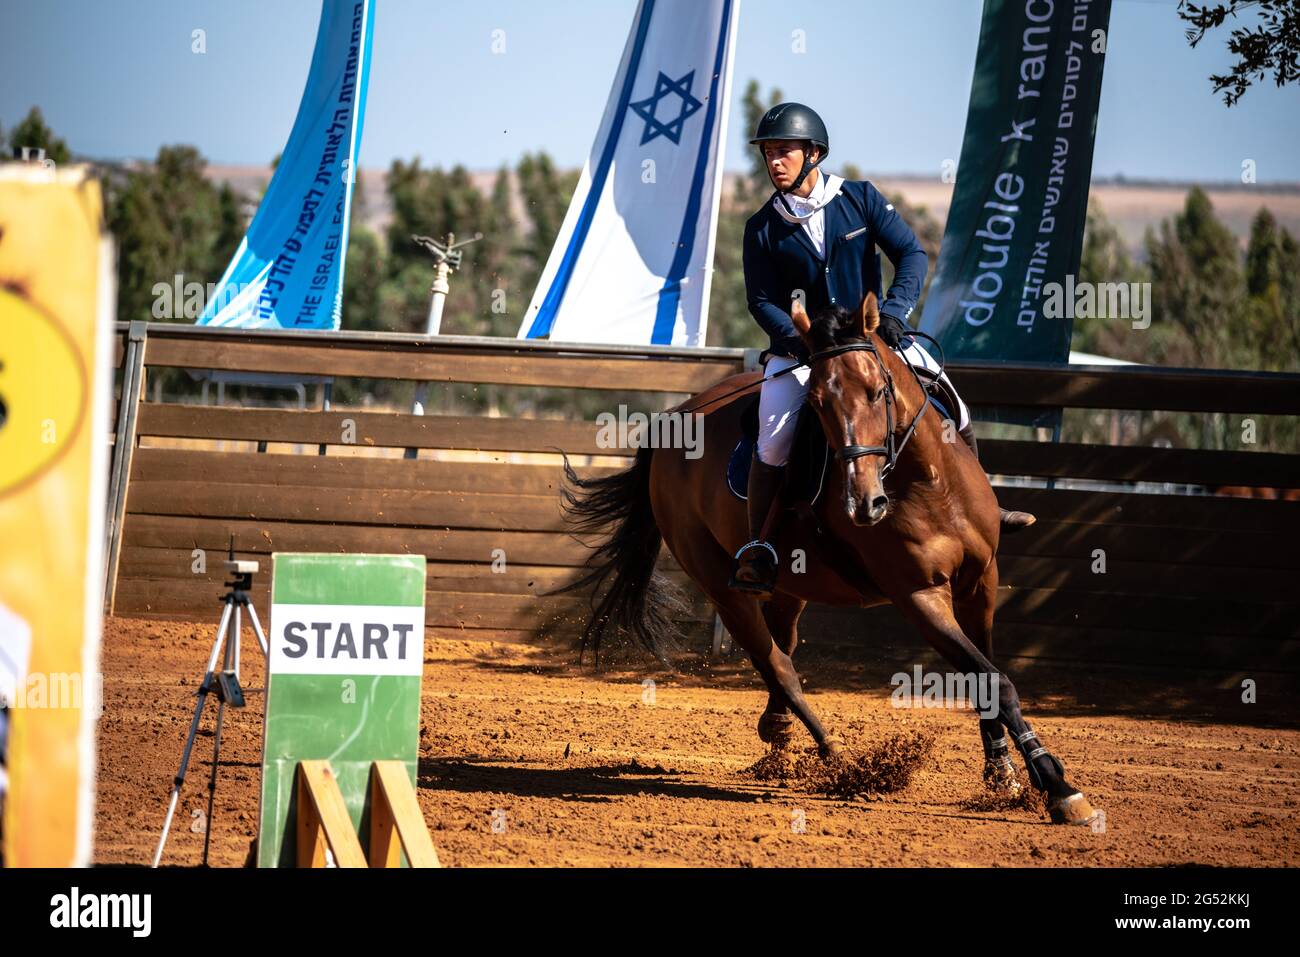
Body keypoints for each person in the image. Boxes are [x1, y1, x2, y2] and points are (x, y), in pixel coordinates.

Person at [730, 102, 1033, 597]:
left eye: (783, 151)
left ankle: (985, 505)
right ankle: (759, 546)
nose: (774, 162)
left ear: (814, 153)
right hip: (804, 352)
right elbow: (760, 300)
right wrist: (801, 342)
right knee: (773, 434)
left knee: (952, 401)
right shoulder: (761, 227)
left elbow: (911, 253)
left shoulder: (860, 199)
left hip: (874, 341)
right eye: (768, 153)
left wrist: (893, 314)